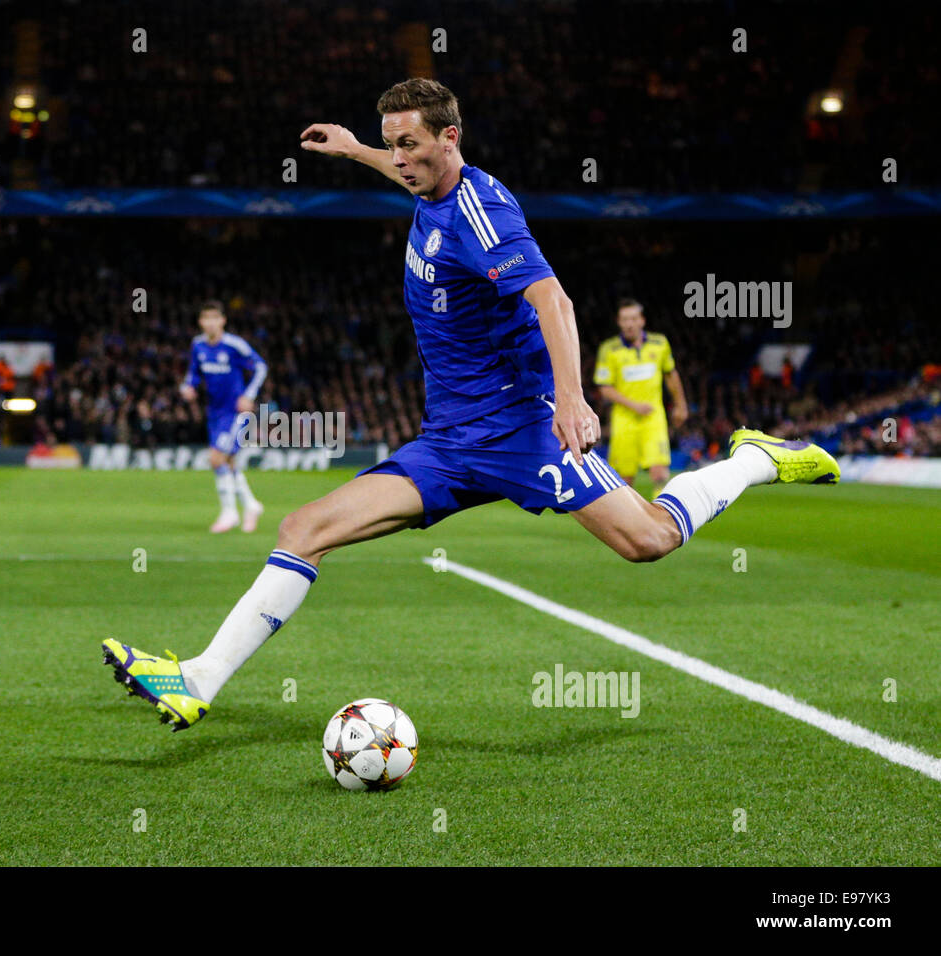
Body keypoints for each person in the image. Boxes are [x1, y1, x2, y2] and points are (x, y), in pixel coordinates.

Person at [102, 78, 839, 730]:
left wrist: (573, 400)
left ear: (451, 137)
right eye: (393, 145)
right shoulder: (433, 189)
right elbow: (415, 181)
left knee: (647, 540)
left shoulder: (482, 213)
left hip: (523, 432)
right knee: (304, 526)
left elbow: (552, 296)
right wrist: (359, 149)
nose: (401, 158)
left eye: (411, 145)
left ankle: (750, 460)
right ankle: (198, 679)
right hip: (449, 441)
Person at [180, 300, 267, 533]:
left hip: (235, 411)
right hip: (215, 412)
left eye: (214, 318)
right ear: (200, 322)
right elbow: (194, 372)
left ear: (222, 321)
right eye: (205, 319)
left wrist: (249, 395)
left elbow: (260, 366)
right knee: (228, 462)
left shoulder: (234, 345)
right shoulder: (197, 345)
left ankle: (229, 513)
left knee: (216, 458)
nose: (210, 323)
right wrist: (188, 386)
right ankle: (251, 505)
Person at [593, 298, 688, 496]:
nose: (629, 324)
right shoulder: (609, 350)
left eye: (633, 318)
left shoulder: (659, 343)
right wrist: (633, 405)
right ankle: (629, 522)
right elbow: (604, 388)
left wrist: (681, 405)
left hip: (653, 417)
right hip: (624, 420)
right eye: (625, 319)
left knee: (660, 471)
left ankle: (662, 517)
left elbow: (671, 375)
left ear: (642, 320)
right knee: (624, 479)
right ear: (619, 322)